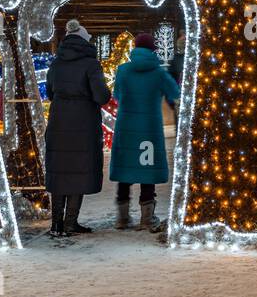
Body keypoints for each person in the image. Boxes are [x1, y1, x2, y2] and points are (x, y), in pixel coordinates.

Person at [45, 20, 111, 236]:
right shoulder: (91, 65)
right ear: (85, 42)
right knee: (78, 171)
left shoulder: (56, 64)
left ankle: (56, 224)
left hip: (58, 121)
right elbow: (101, 96)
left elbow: (50, 92)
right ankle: (70, 223)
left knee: (60, 171)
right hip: (83, 124)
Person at [110, 31, 180, 230]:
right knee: (147, 170)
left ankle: (122, 218)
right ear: (153, 50)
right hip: (149, 128)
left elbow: (117, 95)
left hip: (126, 126)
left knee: (126, 170)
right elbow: (174, 92)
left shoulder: (123, 70)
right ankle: (146, 218)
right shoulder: (159, 73)